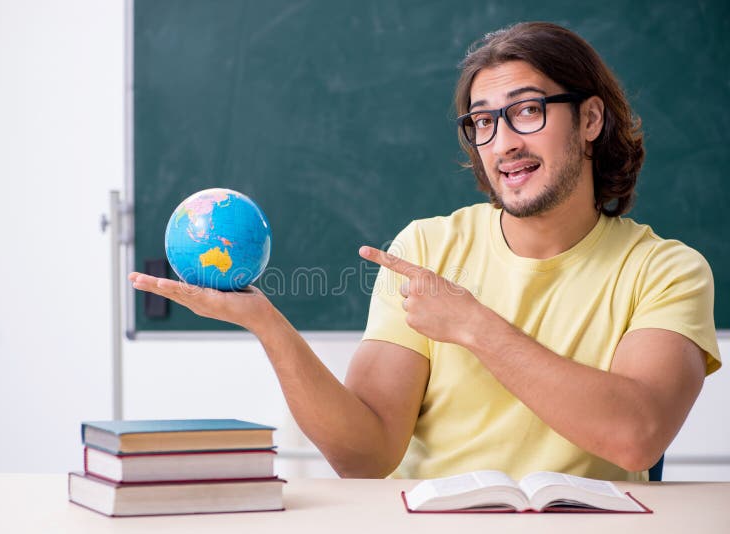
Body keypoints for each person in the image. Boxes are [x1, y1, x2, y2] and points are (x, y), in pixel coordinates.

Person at [129, 21, 721, 482]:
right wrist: (266, 323)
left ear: (590, 118)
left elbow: (637, 435)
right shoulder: (426, 249)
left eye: (527, 111)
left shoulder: (667, 271)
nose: (504, 143)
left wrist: (475, 326)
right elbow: (366, 456)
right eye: (482, 122)